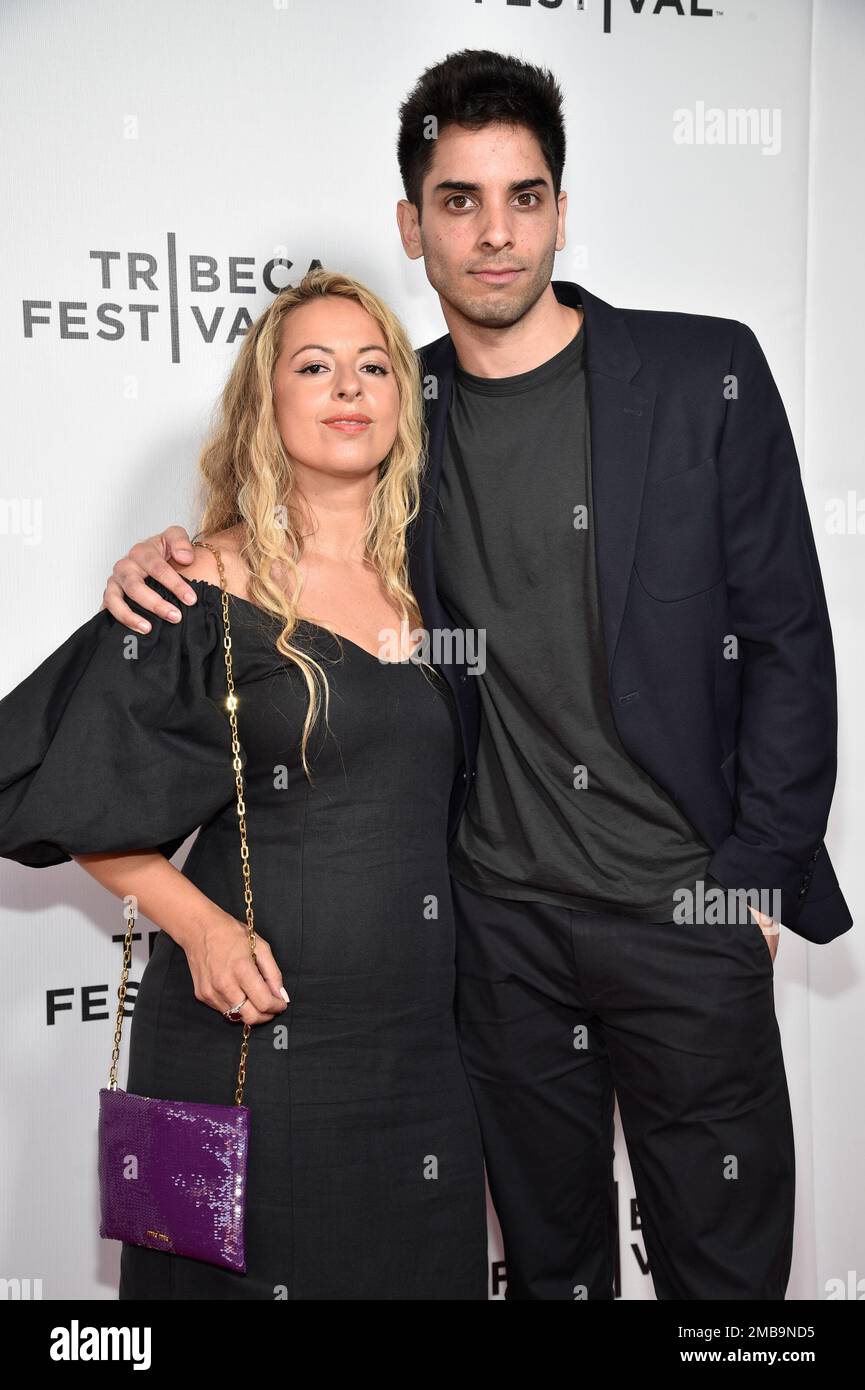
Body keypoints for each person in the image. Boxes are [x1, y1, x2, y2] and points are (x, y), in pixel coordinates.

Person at [95, 50, 852, 1300]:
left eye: (524, 196)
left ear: (560, 207)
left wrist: (749, 889)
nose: (494, 234)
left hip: (685, 915)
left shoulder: (700, 375)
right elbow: (294, 542)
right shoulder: (395, 410)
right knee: (552, 1269)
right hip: (496, 934)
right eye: (459, 200)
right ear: (414, 223)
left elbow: (787, 637)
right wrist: (168, 554)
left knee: (726, 1282)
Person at [0, 267, 488, 1300]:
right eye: (314, 366)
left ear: (403, 398)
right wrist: (200, 926)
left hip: (418, 1058)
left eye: (371, 367)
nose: (347, 386)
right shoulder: (200, 581)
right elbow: (59, 783)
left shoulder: (438, 582)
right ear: (267, 403)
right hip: (242, 1045)